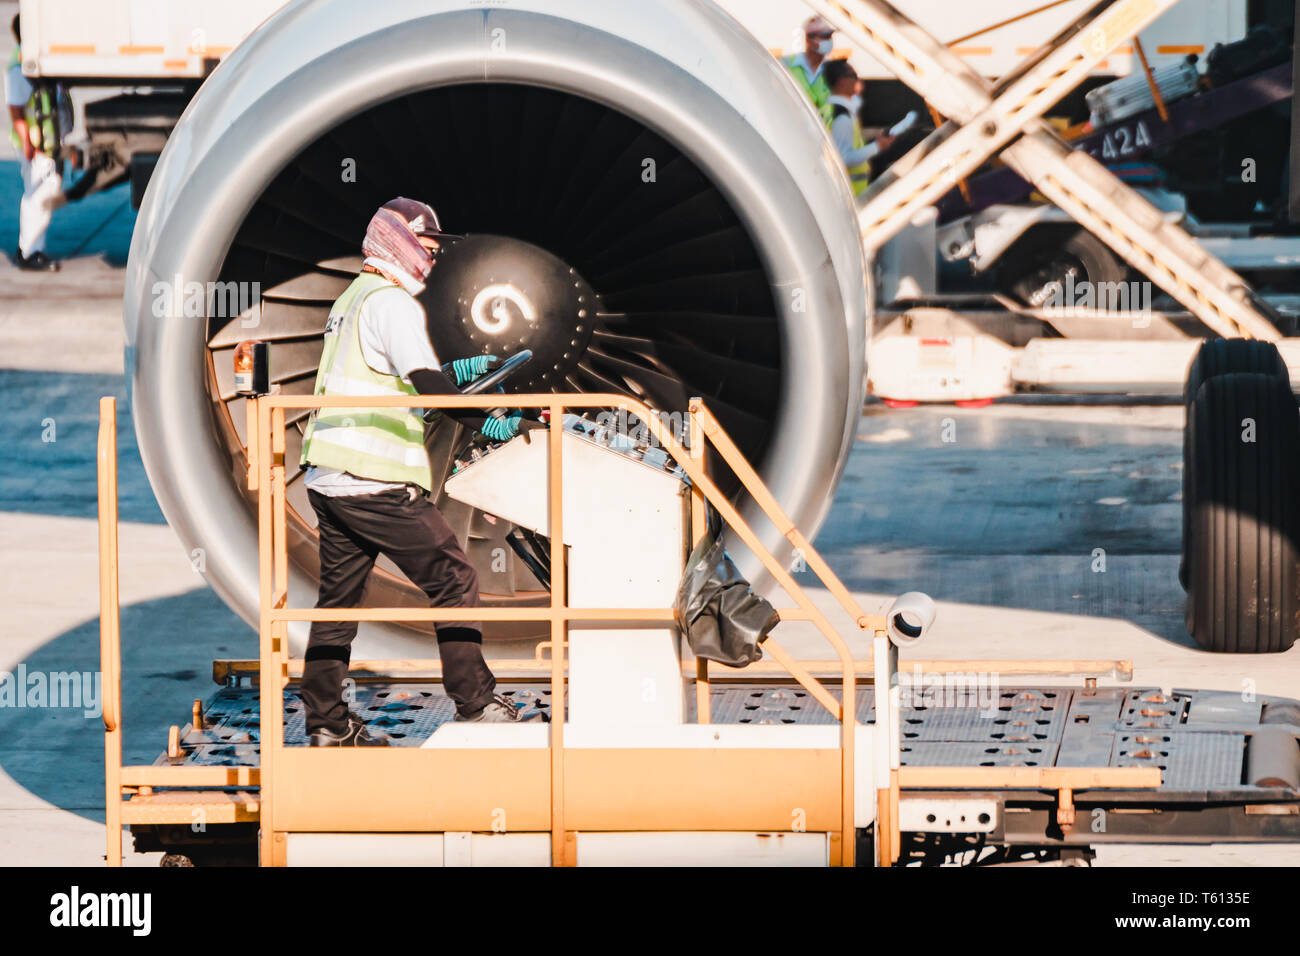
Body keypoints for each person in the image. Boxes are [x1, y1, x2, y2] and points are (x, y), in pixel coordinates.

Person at [299, 196, 542, 746]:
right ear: (400, 243)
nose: (432, 260)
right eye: (427, 248)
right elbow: (428, 387)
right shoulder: (392, 303)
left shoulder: (354, 297)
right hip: (372, 478)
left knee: (338, 601)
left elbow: (392, 382)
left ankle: (326, 725)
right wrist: (492, 418)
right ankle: (476, 704)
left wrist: (458, 375)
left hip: (330, 475)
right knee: (454, 578)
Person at [6, 14, 65, 271]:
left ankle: (31, 248)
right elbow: (16, 109)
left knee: (43, 193)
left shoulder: (31, 61)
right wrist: (26, 143)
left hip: (43, 143)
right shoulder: (20, 68)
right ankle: (29, 251)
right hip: (35, 145)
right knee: (36, 195)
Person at [823, 59, 894, 197]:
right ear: (842, 82)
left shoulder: (828, 109)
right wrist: (877, 146)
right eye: (854, 76)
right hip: (850, 193)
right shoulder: (842, 118)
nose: (858, 80)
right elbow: (843, 159)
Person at [783, 15, 836, 124]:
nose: (829, 41)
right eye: (824, 36)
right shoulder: (787, 64)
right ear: (809, 39)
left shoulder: (833, 70)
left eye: (830, 36)